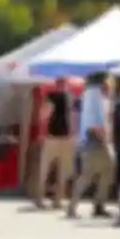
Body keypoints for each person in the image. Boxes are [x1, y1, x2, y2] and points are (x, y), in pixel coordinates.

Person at [69, 73, 115, 219]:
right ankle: (93, 205)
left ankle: (95, 204)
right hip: (96, 140)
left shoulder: (89, 96)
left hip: (89, 140)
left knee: (100, 173)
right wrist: (104, 140)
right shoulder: (95, 97)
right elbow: (97, 122)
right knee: (92, 174)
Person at [36, 78, 77, 209]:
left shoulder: (51, 97)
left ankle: (40, 199)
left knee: (45, 168)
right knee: (63, 170)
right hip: (66, 138)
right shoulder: (71, 97)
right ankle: (57, 200)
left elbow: (43, 115)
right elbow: (73, 118)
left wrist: (42, 132)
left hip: (52, 136)